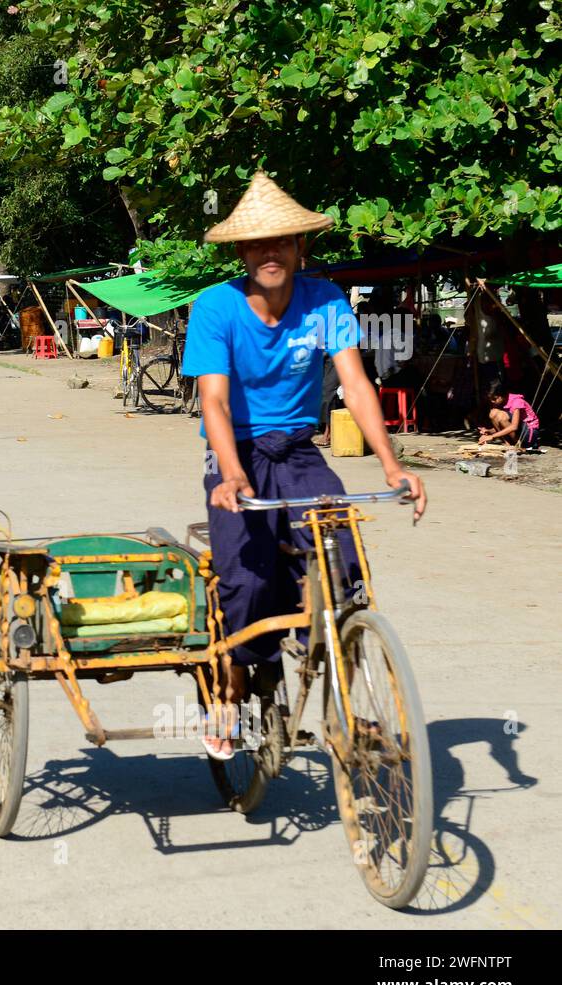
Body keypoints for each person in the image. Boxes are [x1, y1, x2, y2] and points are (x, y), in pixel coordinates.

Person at [181, 171, 427, 760]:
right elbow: (212, 398)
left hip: (298, 450)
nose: (272, 253)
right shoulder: (215, 308)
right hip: (234, 450)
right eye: (259, 244)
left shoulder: (326, 302)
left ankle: (346, 693)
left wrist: (393, 466)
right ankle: (231, 689)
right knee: (247, 578)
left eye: (283, 242)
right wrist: (232, 472)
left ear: (299, 249)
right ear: (242, 252)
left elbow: (357, 385)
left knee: (343, 559)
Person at [480, 379, 540, 448]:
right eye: (490, 399)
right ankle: (508, 443)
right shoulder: (502, 403)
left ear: (502, 395)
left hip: (529, 433)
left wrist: (492, 436)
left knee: (500, 415)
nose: (492, 401)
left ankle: (519, 445)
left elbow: (514, 426)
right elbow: (504, 424)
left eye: (494, 399)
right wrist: (489, 431)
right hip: (519, 429)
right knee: (493, 413)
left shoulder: (516, 401)